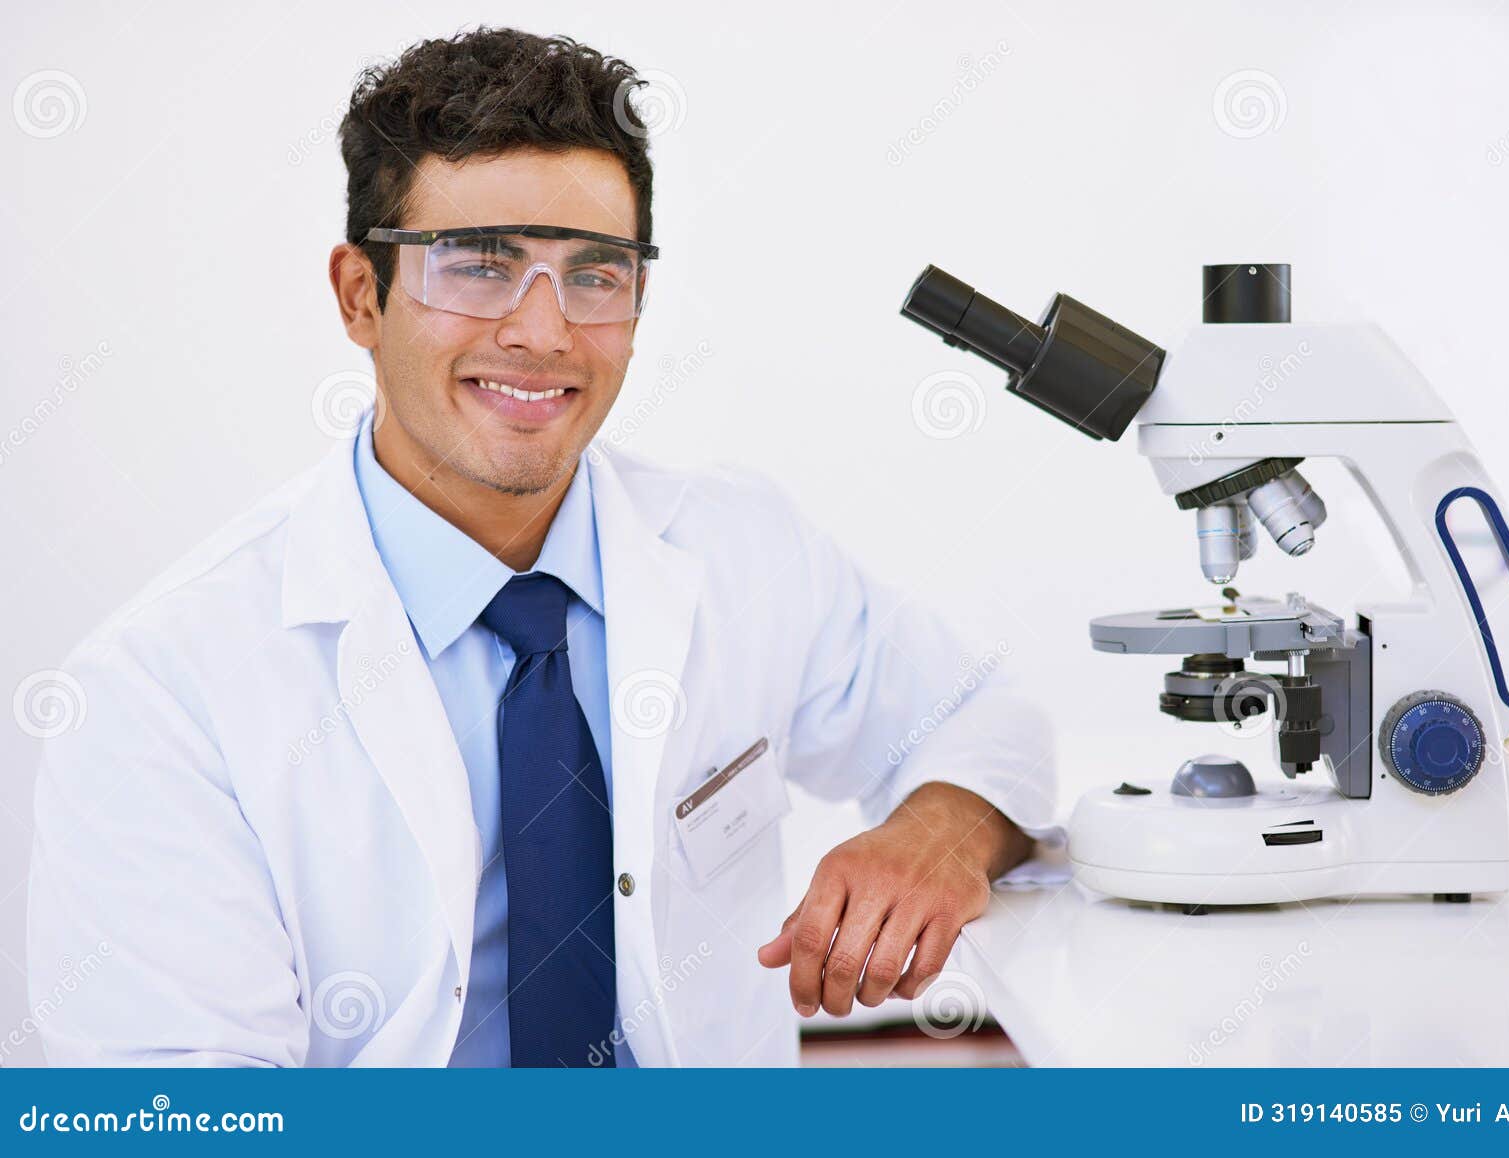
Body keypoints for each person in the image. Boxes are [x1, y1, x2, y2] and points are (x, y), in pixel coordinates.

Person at [27, 27, 1059, 1067]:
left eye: (594, 275)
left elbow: (979, 715)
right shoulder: (161, 689)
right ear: (359, 296)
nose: (544, 332)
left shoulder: (739, 548)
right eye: (479, 267)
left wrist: (939, 834)